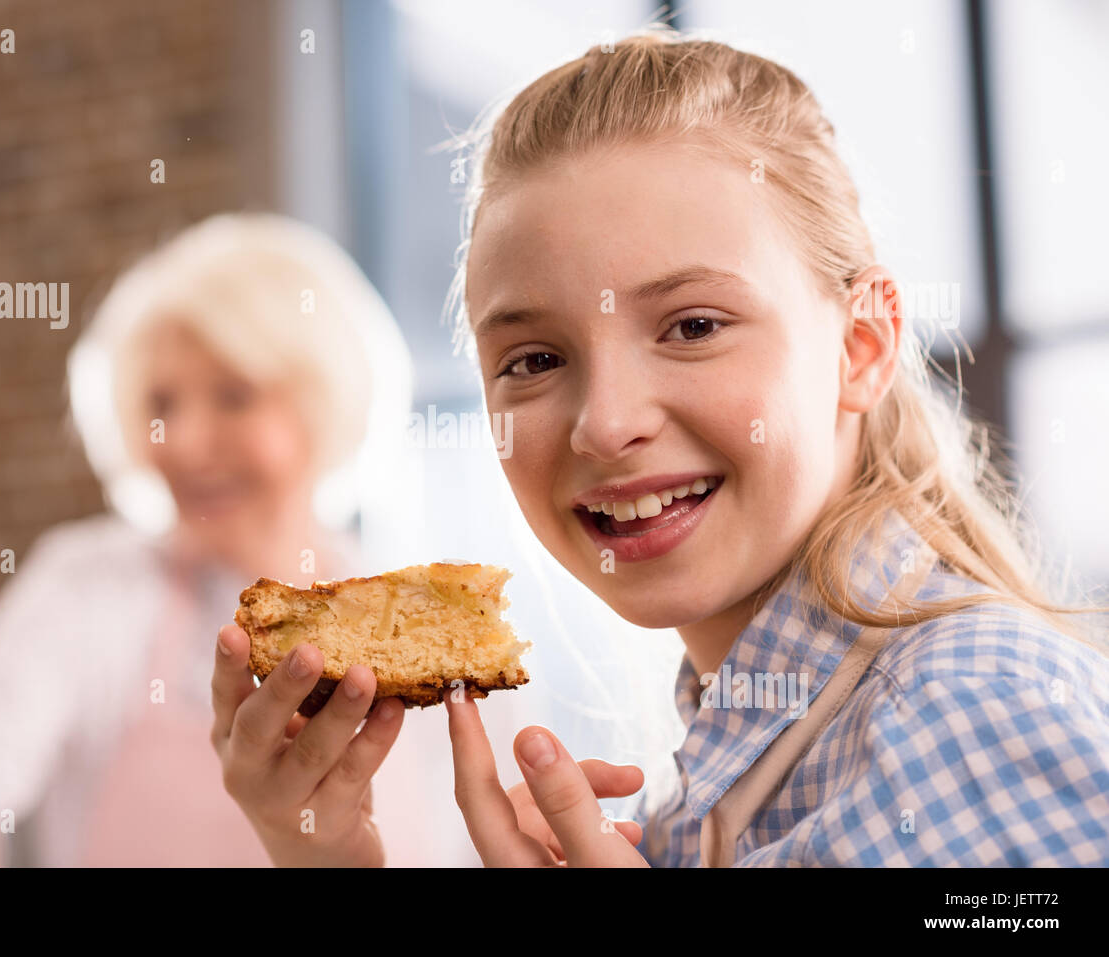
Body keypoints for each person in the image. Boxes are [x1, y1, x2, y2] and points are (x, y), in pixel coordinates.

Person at [214, 27, 1109, 868]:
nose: (604, 423)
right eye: (534, 359)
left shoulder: (968, 708)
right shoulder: (726, 771)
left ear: (860, 346)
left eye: (691, 325)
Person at [0, 212, 465, 866]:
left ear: (323, 400)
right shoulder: (89, 586)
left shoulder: (420, 628)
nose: (184, 441)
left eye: (234, 395)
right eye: (162, 404)